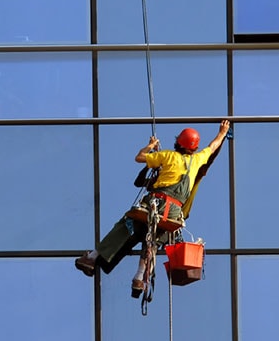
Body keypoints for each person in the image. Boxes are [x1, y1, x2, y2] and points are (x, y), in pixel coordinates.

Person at [75, 120, 230, 297]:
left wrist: (150, 146)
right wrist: (222, 133)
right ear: (194, 148)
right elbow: (212, 147)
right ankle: (139, 277)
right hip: (173, 212)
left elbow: (139, 157)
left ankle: (92, 257)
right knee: (153, 241)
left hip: (156, 203)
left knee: (126, 226)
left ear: (178, 143)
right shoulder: (197, 159)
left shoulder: (168, 156)